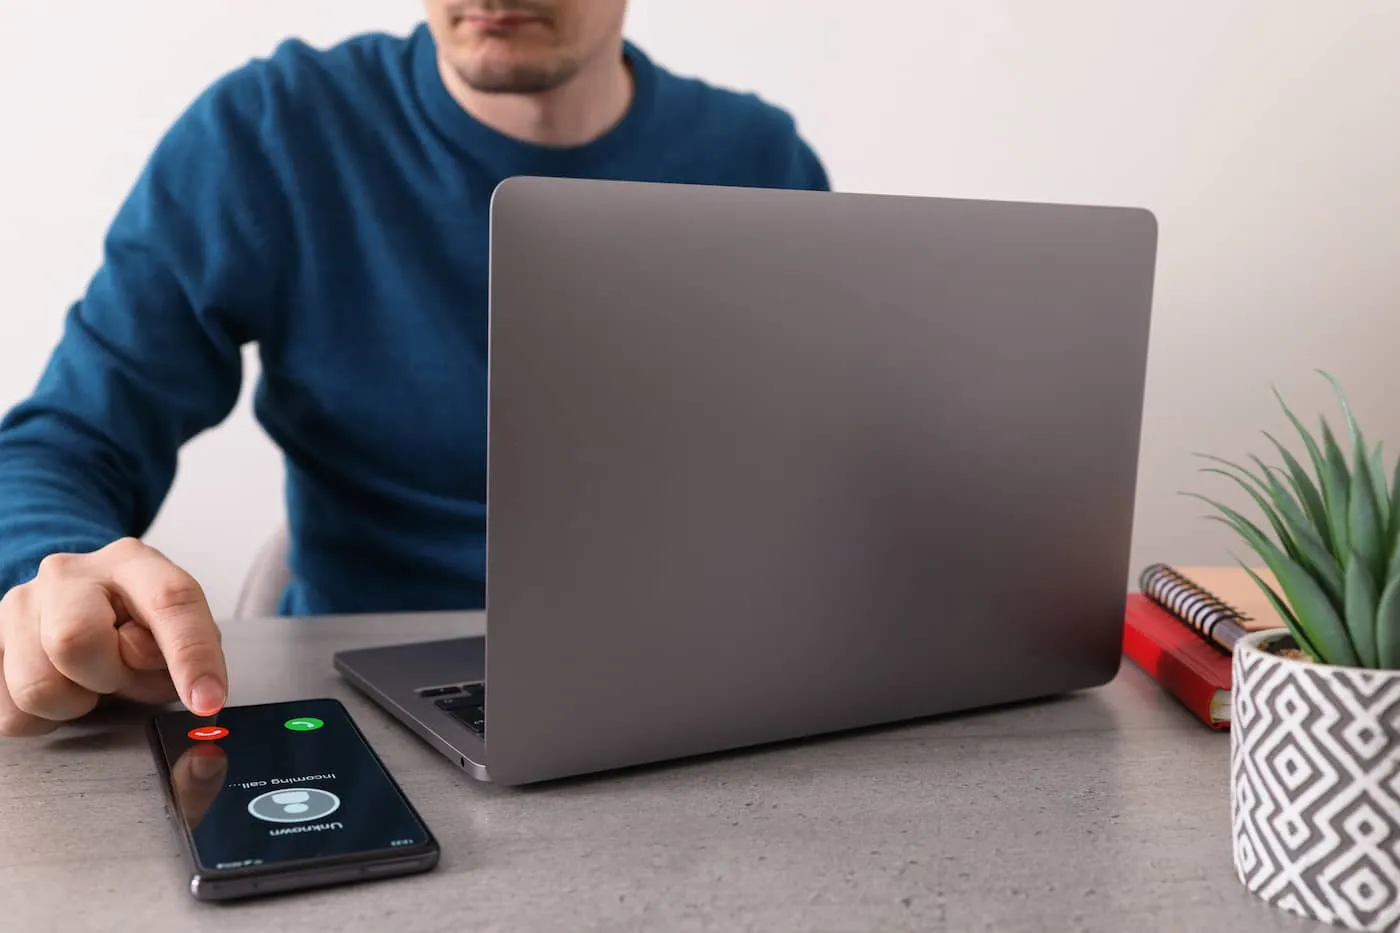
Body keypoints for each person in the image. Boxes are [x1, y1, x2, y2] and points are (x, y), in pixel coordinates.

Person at [0, 0, 828, 737]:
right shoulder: (272, 131)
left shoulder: (762, 159)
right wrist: (56, 575)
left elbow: (829, 474)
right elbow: (68, 440)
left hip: (691, 695)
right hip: (358, 700)